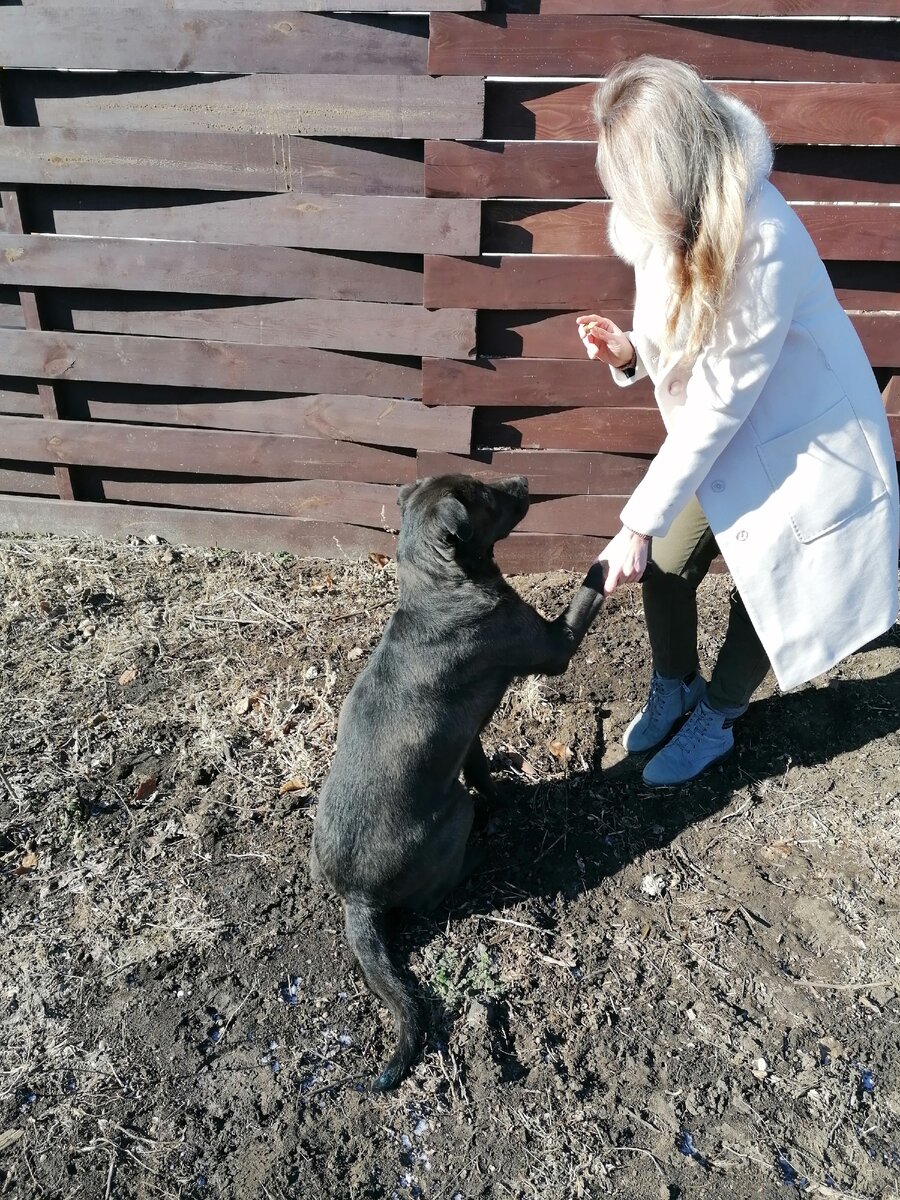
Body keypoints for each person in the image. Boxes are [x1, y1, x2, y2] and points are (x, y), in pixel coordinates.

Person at [577, 56, 899, 788]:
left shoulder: (764, 237)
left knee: (770, 580)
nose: (625, 202)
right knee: (667, 566)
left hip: (808, 444)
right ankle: (676, 683)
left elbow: (720, 398)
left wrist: (634, 521)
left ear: (673, 166)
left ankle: (718, 716)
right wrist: (628, 353)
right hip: (730, 433)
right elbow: (675, 331)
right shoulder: (664, 217)